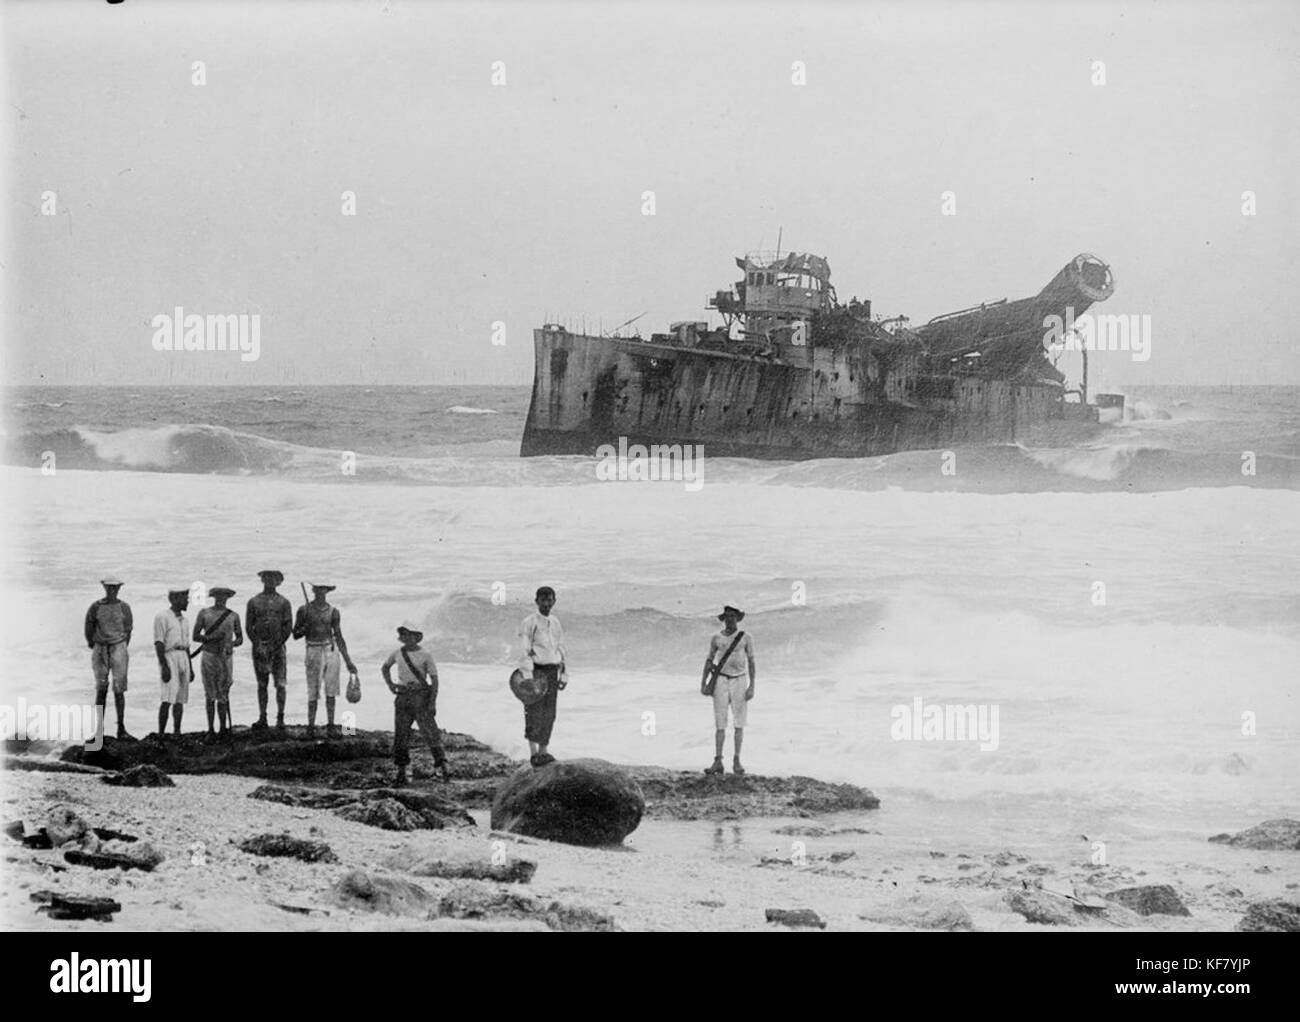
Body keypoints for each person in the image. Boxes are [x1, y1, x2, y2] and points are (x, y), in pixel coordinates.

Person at [380, 621, 449, 786]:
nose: (405, 637)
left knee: (430, 733)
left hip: (421, 697)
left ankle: (444, 769)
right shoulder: (398, 653)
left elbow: (435, 680)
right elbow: (385, 668)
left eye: (408, 634)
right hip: (403, 696)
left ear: (415, 637)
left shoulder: (426, 655)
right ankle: (402, 773)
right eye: (402, 634)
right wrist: (390, 685)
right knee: (401, 735)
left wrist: (432, 703)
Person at [293, 582, 356, 739]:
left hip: (330, 650)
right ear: (313, 590)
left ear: (327, 591)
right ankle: (311, 727)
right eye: (318, 589)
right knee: (313, 690)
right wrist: (305, 628)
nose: (321, 592)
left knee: (331, 690)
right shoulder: (303, 610)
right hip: (313, 649)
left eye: (324, 589)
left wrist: (348, 660)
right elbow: (295, 634)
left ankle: (330, 725)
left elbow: (339, 636)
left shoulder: (333, 612)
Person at [701, 605, 755, 775]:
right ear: (723, 619)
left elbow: (752, 662)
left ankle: (737, 760)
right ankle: (718, 760)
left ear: (738, 618)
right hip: (721, 681)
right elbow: (709, 660)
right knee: (720, 723)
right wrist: (703, 683)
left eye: (733, 616)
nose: (730, 619)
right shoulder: (716, 638)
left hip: (740, 680)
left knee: (739, 723)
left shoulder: (746, 637)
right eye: (727, 616)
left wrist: (752, 685)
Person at [516, 586, 566, 767]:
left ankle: (544, 750)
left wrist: (563, 673)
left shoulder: (555, 622)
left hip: (553, 671)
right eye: (543, 600)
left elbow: (560, 648)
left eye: (549, 600)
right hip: (536, 671)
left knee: (550, 712)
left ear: (554, 601)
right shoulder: (529, 622)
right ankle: (533, 752)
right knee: (534, 712)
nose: (546, 603)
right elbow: (524, 650)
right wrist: (528, 676)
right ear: (536, 601)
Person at [84, 576, 134, 741]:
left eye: (115, 588)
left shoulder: (124, 607)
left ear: (119, 589)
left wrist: (121, 646)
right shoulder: (95, 607)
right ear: (105, 588)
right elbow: (88, 628)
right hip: (100, 648)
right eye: (109, 588)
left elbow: (128, 629)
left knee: (119, 689)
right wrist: (96, 644)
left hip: (118, 646)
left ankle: (121, 727)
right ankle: (99, 730)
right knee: (101, 689)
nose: (112, 590)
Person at [245, 570, 293, 732]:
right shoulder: (253, 601)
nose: (270, 581)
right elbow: (248, 626)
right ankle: (263, 717)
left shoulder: (284, 602)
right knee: (261, 684)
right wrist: (257, 643)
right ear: (262, 580)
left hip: (278, 648)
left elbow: (288, 626)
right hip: (260, 647)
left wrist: (278, 643)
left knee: (280, 684)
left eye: (273, 579)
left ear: (278, 581)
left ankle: (280, 718)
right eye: (267, 578)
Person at [193, 586, 243, 741]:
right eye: (218, 596)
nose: (221, 599)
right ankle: (210, 730)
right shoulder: (204, 613)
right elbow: (195, 636)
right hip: (209, 655)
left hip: (226, 657)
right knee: (209, 694)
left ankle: (222, 729)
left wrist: (231, 644)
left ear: (228, 598)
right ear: (213, 597)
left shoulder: (233, 615)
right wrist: (210, 639)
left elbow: (240, 638)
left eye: (224, 596)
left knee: (223, 693)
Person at [152, 587, 191, 737]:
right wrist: (164, 666)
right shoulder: (162, 616)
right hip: (170, 656)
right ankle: (161, 733)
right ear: (174, 599)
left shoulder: (185, 620)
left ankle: (177, 731)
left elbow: (187, 646)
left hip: (183, 657)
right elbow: (159, 643)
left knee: (180, 698)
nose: (187, 601)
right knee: (168, 697)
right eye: (184, 598)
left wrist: (191, 668)